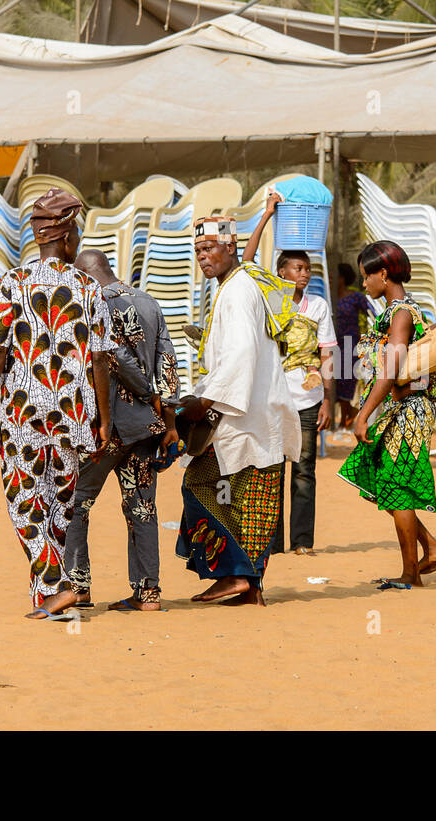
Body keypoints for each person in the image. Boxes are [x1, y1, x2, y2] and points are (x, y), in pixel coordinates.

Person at [0, 188, 115, 619]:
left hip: (23, 419)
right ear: (68, 238)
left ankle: (58, 587)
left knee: (24, 502)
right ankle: (51, 595)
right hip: (74, 418)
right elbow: (102, 360)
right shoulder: (89, 288)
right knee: (61, 508)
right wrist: (103, 420)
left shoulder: (13, 283)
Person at [174, 215, 301, 606]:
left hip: (242, 418)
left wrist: (205, 403)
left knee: (201, 487)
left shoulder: (237, 290)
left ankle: (234, 576)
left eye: (209, 248)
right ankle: (251, 588)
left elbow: (242, 353)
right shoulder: (237, 287)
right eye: (197, 250)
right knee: (248, 503)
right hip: (256, 416)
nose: (203, 257)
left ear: (231, 248)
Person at [63, 250, 181, 612]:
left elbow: (113, 357)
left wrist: (145, 391)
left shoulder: (93, 302)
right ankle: (148, 594)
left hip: (106, 428)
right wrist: (167, 416)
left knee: (76, 504)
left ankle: (78, 587)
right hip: (146, 427)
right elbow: (169, 362)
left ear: (83, 274)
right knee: (142, 509)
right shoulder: (148, 302)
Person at [337, 240, 436, 590]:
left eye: (366, 276)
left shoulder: (401, 313)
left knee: (396, 486)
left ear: (383, 274)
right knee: (382, 479)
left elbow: (391, 368)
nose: (364, 284)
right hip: (400, 408)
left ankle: (411, 573)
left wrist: (362, 414)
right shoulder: (398, 311)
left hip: (408, 412)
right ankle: (432, 548)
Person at [242, 193, 337, 556]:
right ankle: (272, 542)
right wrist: (267, 214)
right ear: (281, 272)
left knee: (304, 472)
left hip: (309, 400)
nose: (304, 274)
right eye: (297, 268)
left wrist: (328, 399)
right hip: (273, 400)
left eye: (308, 269)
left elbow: (327, 352)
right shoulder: (270, 299)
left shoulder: (319, 306)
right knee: (271, 470)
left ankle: (302, 542)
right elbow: (247, 262)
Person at [330, 262, 370, 427]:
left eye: (336, 276)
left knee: (347, 379)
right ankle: (349, 414)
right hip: (332, 344)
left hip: (350, 344)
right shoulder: (328, 297)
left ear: (343, 278)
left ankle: (344, 421)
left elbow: (371, 312)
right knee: (334, 380)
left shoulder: (355, 297)